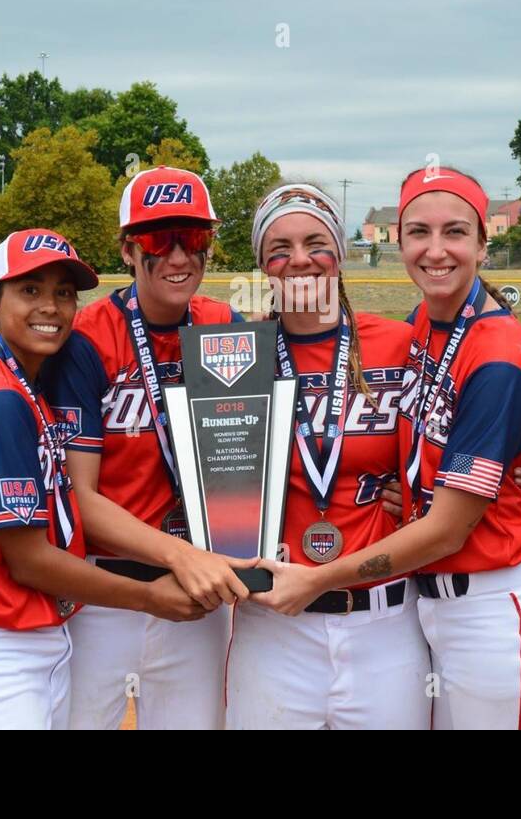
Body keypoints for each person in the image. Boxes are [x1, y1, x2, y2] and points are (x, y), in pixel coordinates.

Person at [254, 169, 521, 729]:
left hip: (493, 607)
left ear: (483, 243)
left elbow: (451, 526)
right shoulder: (423, 331)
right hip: (432, 615)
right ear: (398, 242)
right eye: (418, 233)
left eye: (454, 232)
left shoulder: (489, 349)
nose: (435, 250)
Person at [0, 229, 207, 730]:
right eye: (30, 290)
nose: (50, 306)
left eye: (63, 293)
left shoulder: (21, 385)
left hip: (31, 640)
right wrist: (146, 596)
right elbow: (29, 560)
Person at [46, 167, 255, 730]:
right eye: (160, 240)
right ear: (128, 250)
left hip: (198, 596)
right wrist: (179, 558)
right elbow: (78, 498)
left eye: (195, 239)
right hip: (105, 593)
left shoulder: (223, 325)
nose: (180, 257)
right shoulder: (87, 339)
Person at [225, 184, 431, 728]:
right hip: (271, 625)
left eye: (315, 242)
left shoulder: (402, 343)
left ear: (339, 253)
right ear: (262, 265)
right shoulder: (237, 357)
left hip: (384, 624)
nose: (298, 260)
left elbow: (471, 420)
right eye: (279, 248)